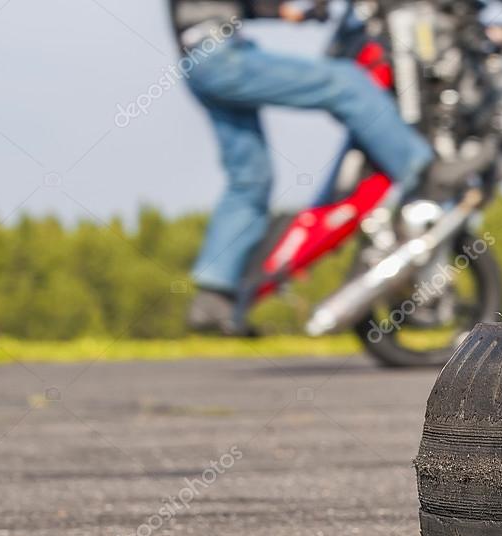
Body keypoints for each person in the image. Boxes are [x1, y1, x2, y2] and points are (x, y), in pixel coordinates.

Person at [170, 0, 433, 333]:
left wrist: (280, 11)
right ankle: (421, 171)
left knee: (251, 178)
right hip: (221, 57)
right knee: (347, 83)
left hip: (201, 59)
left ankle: (214, 299)